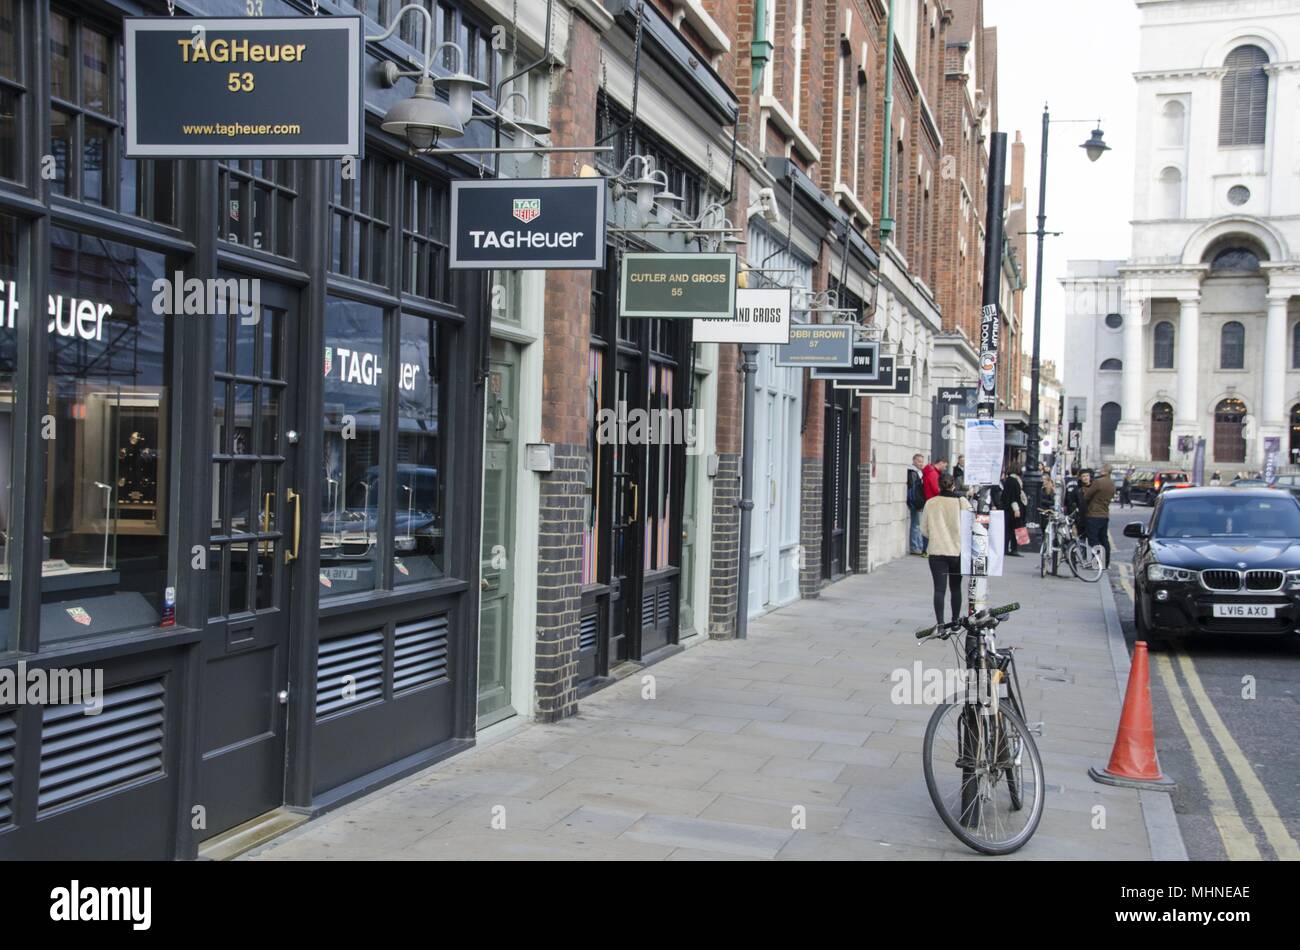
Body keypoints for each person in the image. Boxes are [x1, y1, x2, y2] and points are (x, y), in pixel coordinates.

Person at [921, 473, 970, 627]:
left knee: (939, 589)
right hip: (957, 551)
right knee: (956, 588)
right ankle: (955, 621)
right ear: (953, 485)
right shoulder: (962, 502)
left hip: (937, 551)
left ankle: (940, 623)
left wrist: (936, 535)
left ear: (938, 485)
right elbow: (970, 524)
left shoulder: (931, 503)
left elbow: (924, 530)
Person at [1082, 464, 1117, 569]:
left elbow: (1087, 496)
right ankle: (1105, 562)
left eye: (1102, 469)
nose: (1100, 470)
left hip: (1094, 514)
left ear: (1105, 471)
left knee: (1093, 540)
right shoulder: (1112, 484)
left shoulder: (1098, 482)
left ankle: (1096, 562)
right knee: (1104, 539)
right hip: (1104, 514)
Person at [1001, 467, 1027, 556]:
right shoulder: (1014, 481)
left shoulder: (1008, 480)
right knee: (1015, 529)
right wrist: (1016, 509)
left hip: (1007, 509)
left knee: (1008, 530)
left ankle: (1005, 548)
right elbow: (1014, 496)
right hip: (1013, 509)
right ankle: (1014, 549)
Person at [907, 453, 927, 555]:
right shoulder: (913, 473)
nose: (921, 463)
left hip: (919, 503)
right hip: (916, 503)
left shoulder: (919, 472)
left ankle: (918, 546)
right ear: (914, 461)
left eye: (922, 461)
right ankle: (915, 547)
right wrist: (918, 504)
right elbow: (915, 491)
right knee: (916, 525)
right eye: (919, 461)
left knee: (919, 525)